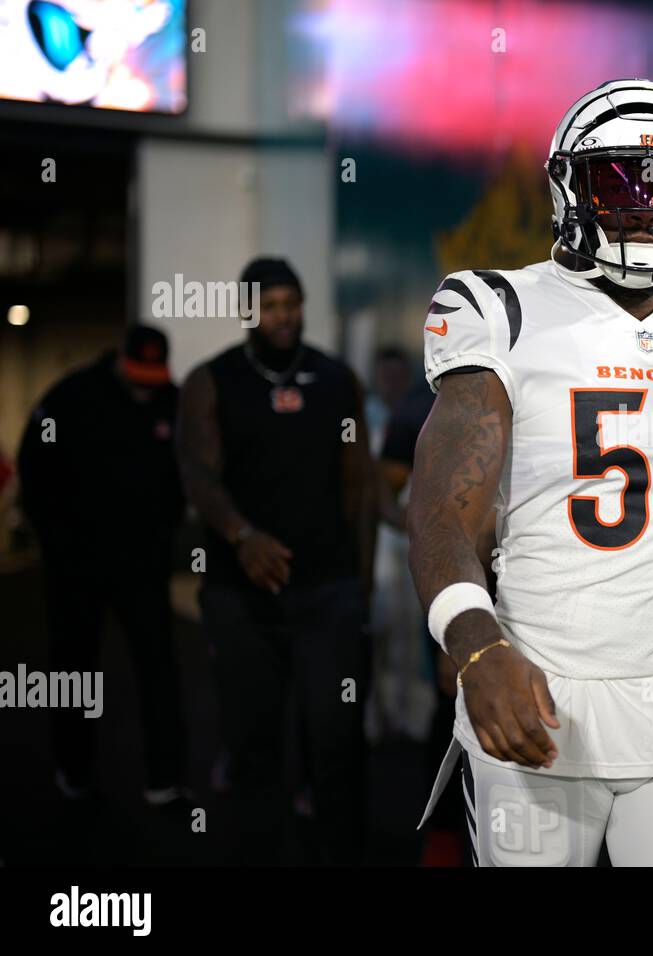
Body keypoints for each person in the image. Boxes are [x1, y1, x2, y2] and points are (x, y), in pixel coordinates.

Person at [409, 78, 653, 866]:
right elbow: (442, 511)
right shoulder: (499, 307)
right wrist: (477, 650)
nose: (647, 204)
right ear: (568, 187)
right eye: (618, 179)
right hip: (541, 681)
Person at [175, 256, 376, 864]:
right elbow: (197, 475)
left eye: (292, 304)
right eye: (271, 306)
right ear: (248, 312)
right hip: (241, 594)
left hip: (326, 589)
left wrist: (360, 584)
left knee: (335, 732)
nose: (284, 317)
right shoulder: (212, 381)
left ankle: (331, 834)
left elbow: (359, 481)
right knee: (253, 738)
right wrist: (242, 535)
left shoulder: (337, 379)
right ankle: (255, 839)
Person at [18, 324, 190, 810]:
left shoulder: (171, 401)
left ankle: (166, 780)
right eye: (137, 375)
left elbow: (188, 472)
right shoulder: (72, 397)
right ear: (119, 359)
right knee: (74, 671)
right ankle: (72, 774)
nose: (144, 387)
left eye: (152, 377)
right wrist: (55, 543)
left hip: (143, 564)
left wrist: (167, 531)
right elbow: (34, 467)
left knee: (159, 669)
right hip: (77, 566)